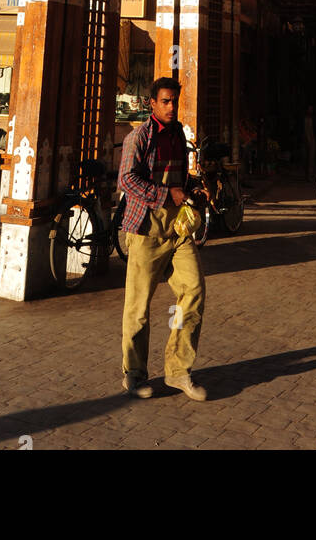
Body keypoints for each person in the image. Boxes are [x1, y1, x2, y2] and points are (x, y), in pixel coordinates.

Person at [118, 77, 206, 401]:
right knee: (138, 308)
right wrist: (167, 193)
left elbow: (181, 176)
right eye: (165, 101)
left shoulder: (179, 134)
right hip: (145, 230)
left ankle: (178, 371)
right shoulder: (137, 138)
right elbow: (127, 180)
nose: (171, 107)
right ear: (152, 103)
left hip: (178, 232)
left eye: (174, 101)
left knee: (194, 290)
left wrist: (192, 187)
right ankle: (134, 374)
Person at [303, 104, 316, 182]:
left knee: (311, 158)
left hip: (312, 140)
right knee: (306, 158)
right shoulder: (305, 119)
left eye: (311, 109)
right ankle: (307, 175)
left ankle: (310, 175)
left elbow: (315, 130)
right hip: (306, 140)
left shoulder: (313, 119)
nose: (310, 111)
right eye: (309, 109)